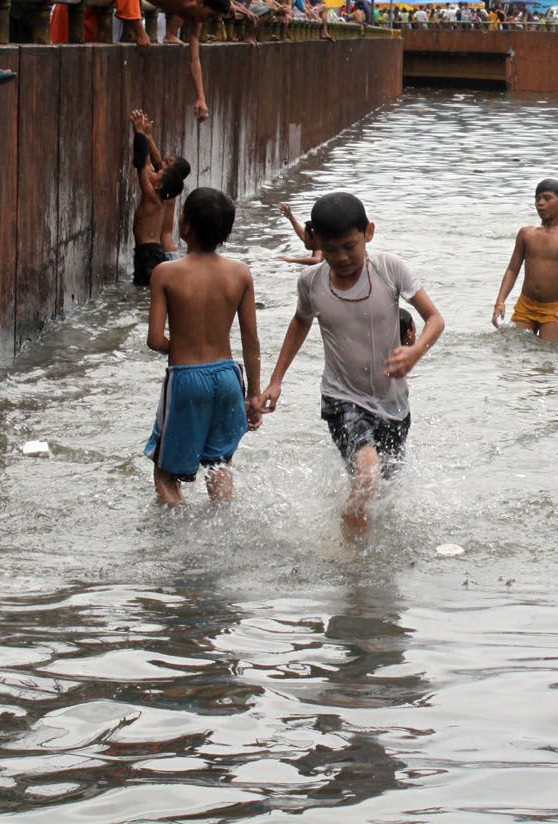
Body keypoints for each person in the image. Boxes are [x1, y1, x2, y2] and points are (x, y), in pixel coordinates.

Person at [260, 192, 445, 537]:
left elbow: (435, 318)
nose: (342, 258)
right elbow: (300, 323)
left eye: (350, 246)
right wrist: (276, 380)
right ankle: (352, 561)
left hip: (393, 403)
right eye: (330, 250)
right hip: (341, 397)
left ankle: (362, 550)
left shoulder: (389, 268)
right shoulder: (312, 282)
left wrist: (417, 350)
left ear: (368, 233)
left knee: (381, 490)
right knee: (368, 474)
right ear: (315, 242)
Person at [143, 187, 262, 505]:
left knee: (166, 476)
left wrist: (183, 344)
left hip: (186, 378)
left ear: (185, 226)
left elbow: (155, 340)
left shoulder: (165, 273)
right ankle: (221, 535)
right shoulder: (240, 273)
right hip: (228, 378)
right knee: (219, 466)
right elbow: (251, 341)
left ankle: (180, 543)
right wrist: (253, 394)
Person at [492, 178, 558, 341]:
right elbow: (512, 269)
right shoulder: (526, 233)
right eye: (537, 198)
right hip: (525, 305)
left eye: (547, 198)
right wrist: (500, 302)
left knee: (549, 360)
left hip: (553, 310)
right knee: (516, 356)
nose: (540, 203)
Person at [135, 0, 231, 120]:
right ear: (199, 2)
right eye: (210, 15)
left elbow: (194, 60)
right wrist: (140, 30)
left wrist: (201, 97)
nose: (208, 20)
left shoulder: (194, 21)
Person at [130, 110, 190, 286]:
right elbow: (150, 163)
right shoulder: (162, 193)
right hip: (151, 252)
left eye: (162, 170)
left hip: (151, 253)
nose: (158, 168)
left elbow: (143, 165)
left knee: (150, 292)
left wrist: (140, 132)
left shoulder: (153, 196)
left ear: (159, 184)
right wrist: (145, 135)